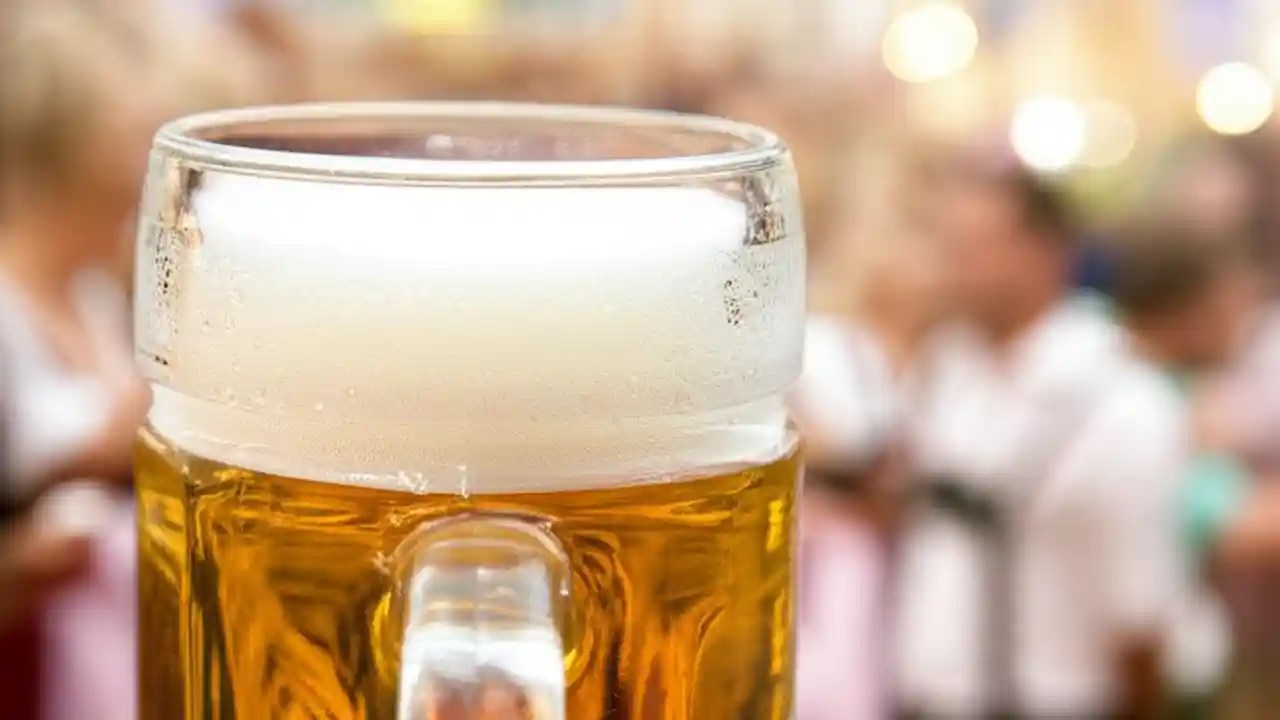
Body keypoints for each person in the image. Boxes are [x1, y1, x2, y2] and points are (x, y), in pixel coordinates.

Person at [894, 155, 1185, 719]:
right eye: (952, 245)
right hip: (933, 699)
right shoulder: (949, 367)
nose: (957, 266)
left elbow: (1141, 615)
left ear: (1050, 250)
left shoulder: (1120, 399)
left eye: (979, 246)